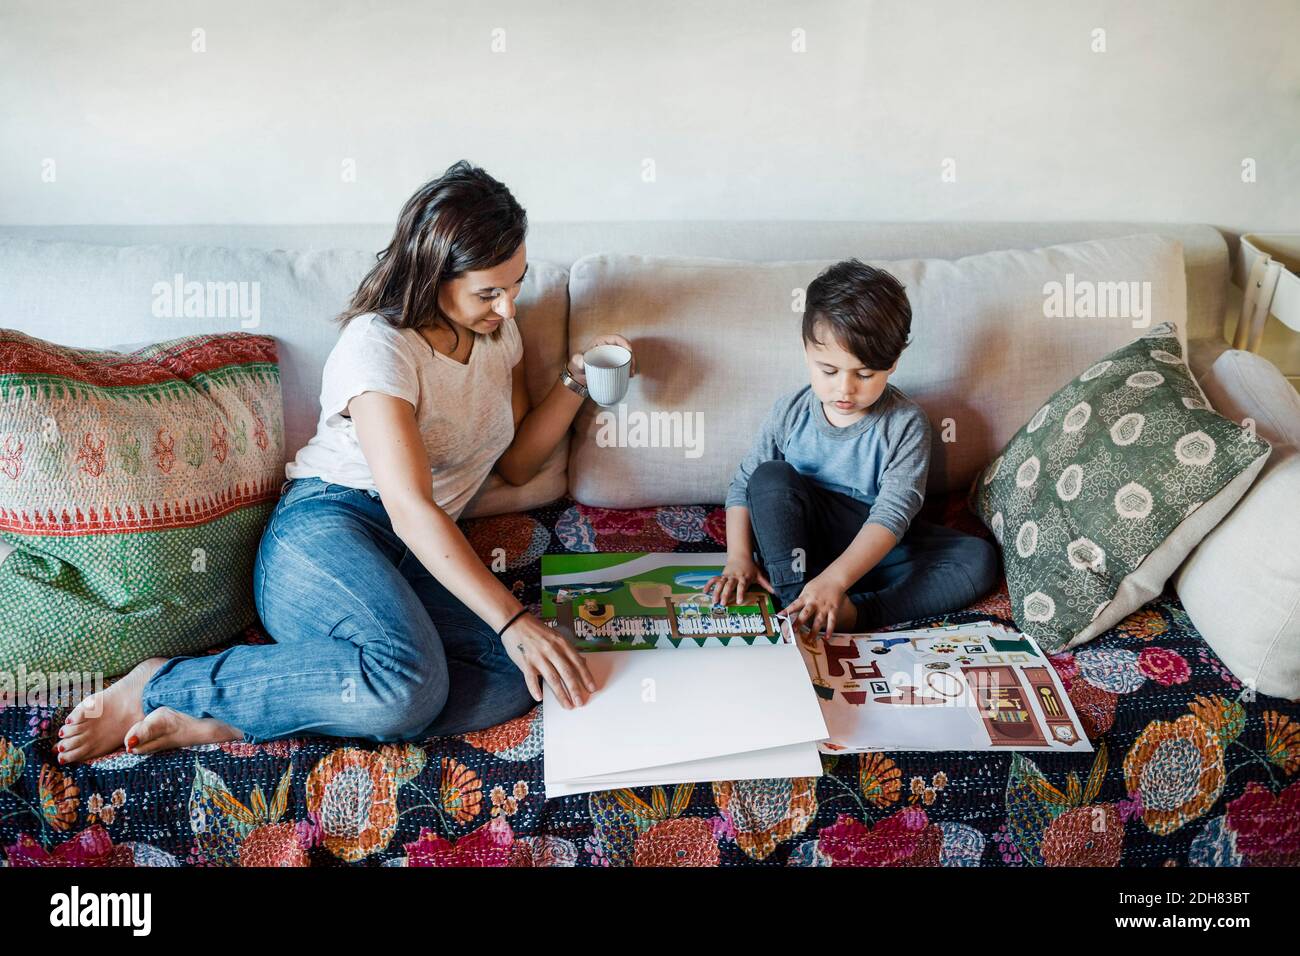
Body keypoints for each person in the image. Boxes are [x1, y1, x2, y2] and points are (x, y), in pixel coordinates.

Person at [57, 160, 634, 763]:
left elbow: (516, 466)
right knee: (411, 683)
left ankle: (245, 717)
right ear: (433, 274)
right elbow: (409, 506)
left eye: (514, 286)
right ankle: (162, 683)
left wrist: (575, 379)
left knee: (518, 678)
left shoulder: (498, 337)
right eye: (489, 292)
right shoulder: (379, 346)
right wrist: (514, 619)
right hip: (328, 532)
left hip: (414, 556)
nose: (508, 308)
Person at [706, 259, 998, 637]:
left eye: (864, 374)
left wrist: (836, 580)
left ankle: (853, 612)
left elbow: (893, 514)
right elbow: (743, 485)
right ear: (806, 350)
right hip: (798, 549)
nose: (845, 389)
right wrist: (739, 558)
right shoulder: (790, 412)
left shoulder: (905, 423)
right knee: (769, 477)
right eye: (829, 371)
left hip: (871, 547)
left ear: (892, 363)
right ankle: (800, 602)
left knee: (978, 559)